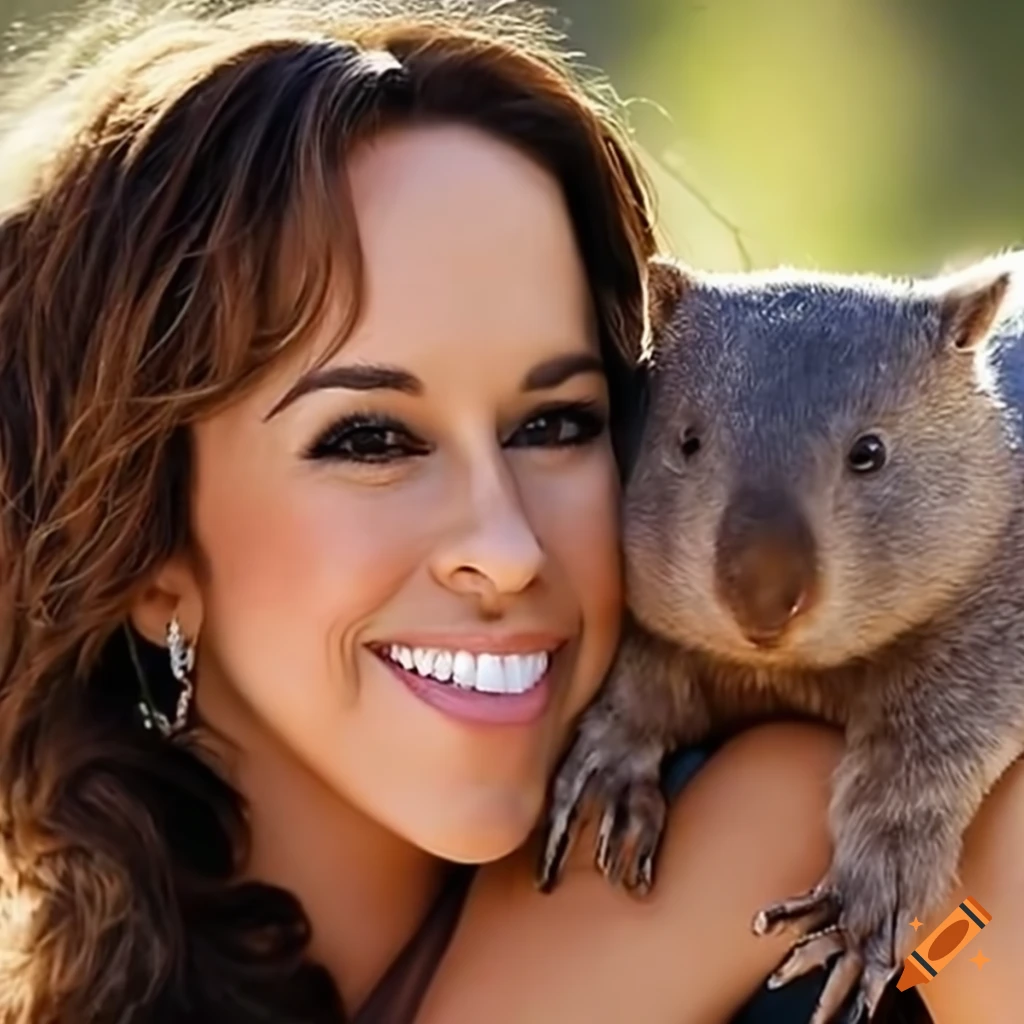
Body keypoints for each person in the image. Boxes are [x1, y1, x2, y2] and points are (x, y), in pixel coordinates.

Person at [0, 2, 1018, 1022]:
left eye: (554, 423)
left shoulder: (876, 851)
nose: (505, 546)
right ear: (150, 557)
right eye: (371, 439)